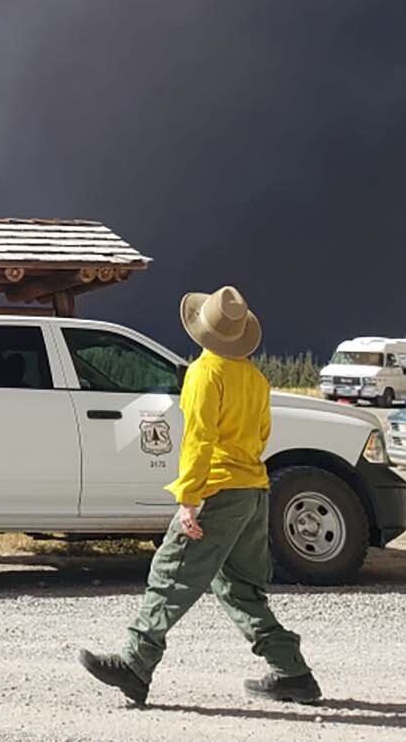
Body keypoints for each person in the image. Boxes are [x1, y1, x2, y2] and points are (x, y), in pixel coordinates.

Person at [79, 286, 321, 706]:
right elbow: (262, 434)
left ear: (201, 329)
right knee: (241, 588)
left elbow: (198, 439)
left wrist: (189, 498)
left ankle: (136, 663)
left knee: (170, 573)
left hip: (217, 489)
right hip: (252, 490)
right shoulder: (255, 378)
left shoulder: (205, 372)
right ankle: (292, 672)